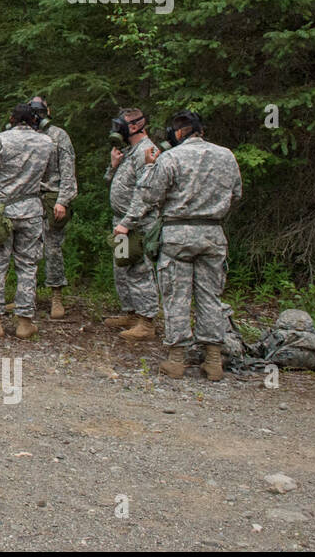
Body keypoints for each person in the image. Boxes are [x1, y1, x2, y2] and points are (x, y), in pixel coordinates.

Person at [135, 111, 242, 381]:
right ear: (201, 131)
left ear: (179, 132)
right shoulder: (226, 156)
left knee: (176, 295)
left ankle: (177, 359)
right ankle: (214, 361)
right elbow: (236, 193)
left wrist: (149, 166)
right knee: (210, 296)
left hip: (178, 233)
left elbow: (149, 195)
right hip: (213, 233)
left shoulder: (171, 157)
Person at [0, 103, 56, 339]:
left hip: (3, 210)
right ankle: (24, 322)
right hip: (31, 210)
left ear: (12, 119)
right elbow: (50, 175)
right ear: (34, 120)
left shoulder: (0, 140)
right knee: (28, 266)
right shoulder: (47, 142)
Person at [103, 108, 161, 342]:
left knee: (139, 269)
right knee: (122, 267)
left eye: (122, 124)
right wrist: (113, 166)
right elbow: (113, 181)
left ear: (136, 126)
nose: (118, 129)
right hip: (122, 221)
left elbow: (146, 193)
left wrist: (128, 222)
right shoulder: (129, 151)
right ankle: (131, 313)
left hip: (138, 223)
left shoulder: (148, 151)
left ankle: (146, 321)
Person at [25, 96, 77, 320]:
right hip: (29, 199)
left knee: (53, 249)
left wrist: (63, 200)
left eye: (41, 109)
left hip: (52, 197)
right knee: (27, 251)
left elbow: (68, 171)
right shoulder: (24, 136)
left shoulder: (58, 135)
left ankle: (56, 296)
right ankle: (27, 297)